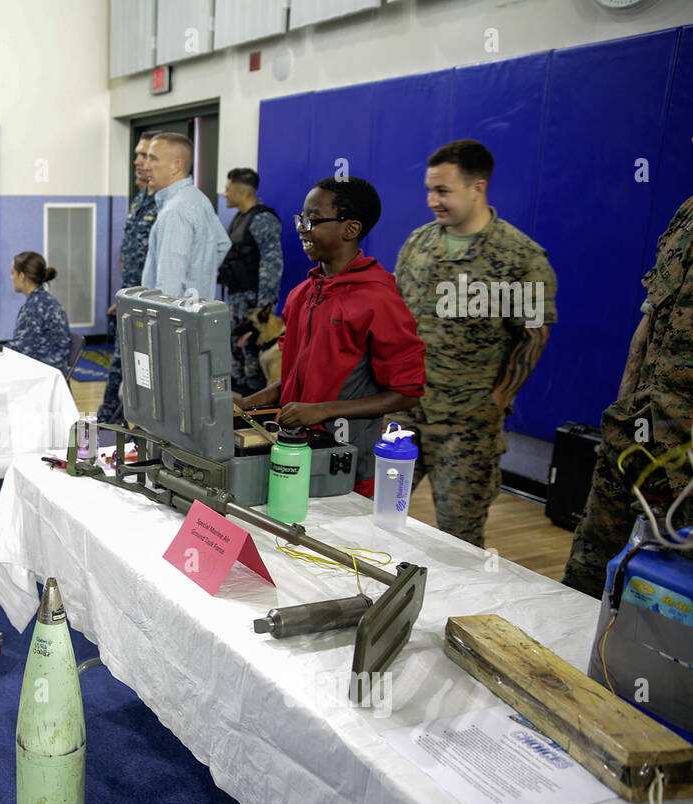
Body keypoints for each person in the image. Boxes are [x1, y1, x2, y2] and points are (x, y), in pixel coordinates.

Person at [393, 140, 556, 548]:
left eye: (443, 191)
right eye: (429, 190)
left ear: (477, 188)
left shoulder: (521, 258)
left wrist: (498, 400)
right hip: (403, 414)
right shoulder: (418, 244)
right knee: (376, 516)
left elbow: (533, 335)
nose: (432, 201)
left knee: (459, 542)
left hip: (467, 426)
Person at [237, 176, 426, 495]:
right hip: (293, 452)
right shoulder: (301, 295)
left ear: (350, 229)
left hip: (345, 466)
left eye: (312, 220)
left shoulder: (378, 300)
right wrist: (248, 403)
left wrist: (324, 410)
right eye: (301, 218)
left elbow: (406, 393)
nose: (301, 228)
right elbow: (296, 379)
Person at [562, 195, 693, 598]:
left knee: (668, 597)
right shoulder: (688, 214)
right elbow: (649, 321)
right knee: (586, 576)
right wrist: (623, 409)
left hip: (685, 459)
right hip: (635, 434)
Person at [97, 130, 160, 424]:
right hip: (131, 299)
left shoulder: (167, 204)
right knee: (121, 368)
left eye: (145, 155)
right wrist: (124, 296)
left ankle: (113, 427)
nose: (137, 161)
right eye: (137, 154)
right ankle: (109, 426)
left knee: (135, 373)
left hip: (149, 306)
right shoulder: (140, 200)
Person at [141, 133, 230, 299]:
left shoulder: (175, 211)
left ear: (176, 166)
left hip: (174, 313)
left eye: (153, 159)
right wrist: (197, 278)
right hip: (196, 309)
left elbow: (169, 287)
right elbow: (222, 244)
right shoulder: (198, 199)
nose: (146, 166)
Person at [218, 167, 282, 394]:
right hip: (237, 297)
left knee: (252, 356)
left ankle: (255, 399)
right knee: (237, 348)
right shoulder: (239, 218)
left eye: (228, 189)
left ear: (241, 190)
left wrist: (264, 307)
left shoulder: (262, 220)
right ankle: (240, 392)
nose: (225, 193)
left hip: (253, 301)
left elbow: (272, 263)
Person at [6, 251, 70, 376]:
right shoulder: (45, 300)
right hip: (52, 373)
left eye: (13, 273)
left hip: (43, 376)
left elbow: (20, 349)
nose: (11, 277)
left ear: (22, 276)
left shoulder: (34, 307)